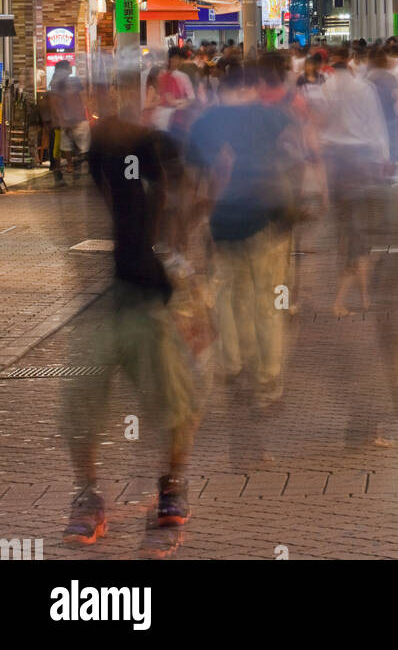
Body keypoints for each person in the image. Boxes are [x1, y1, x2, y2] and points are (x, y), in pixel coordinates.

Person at [63, 68, 202, 546]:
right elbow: (98, 210)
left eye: (117, 93)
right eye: (99, 93)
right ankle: (88, 495)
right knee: (79, 401)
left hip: (151, 294)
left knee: (179, 401)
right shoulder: (97, 145)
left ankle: (172, 485)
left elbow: (185, 200)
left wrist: (180, 267)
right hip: (110, 297)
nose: (107, 100)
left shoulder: (155, 146)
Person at [186, 61, 304, 404]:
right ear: (248, 88)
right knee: (267, 302)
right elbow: (301, 154)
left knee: (227, 296)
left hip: (223, 223)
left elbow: (194, 179)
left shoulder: (206, 122)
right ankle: (267, 383)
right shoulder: (273, 116)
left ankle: (232, 362)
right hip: (268, 219)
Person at [314, 44, 390, 317]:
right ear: (350, 62)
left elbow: (319, 128)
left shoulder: (326, 89)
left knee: (346, 229)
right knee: (359, 231)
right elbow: (376, 125)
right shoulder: (363, 88)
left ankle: (360, 296)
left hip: (335, 163)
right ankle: (346, 299)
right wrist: (384, 157)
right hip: (359, 162)